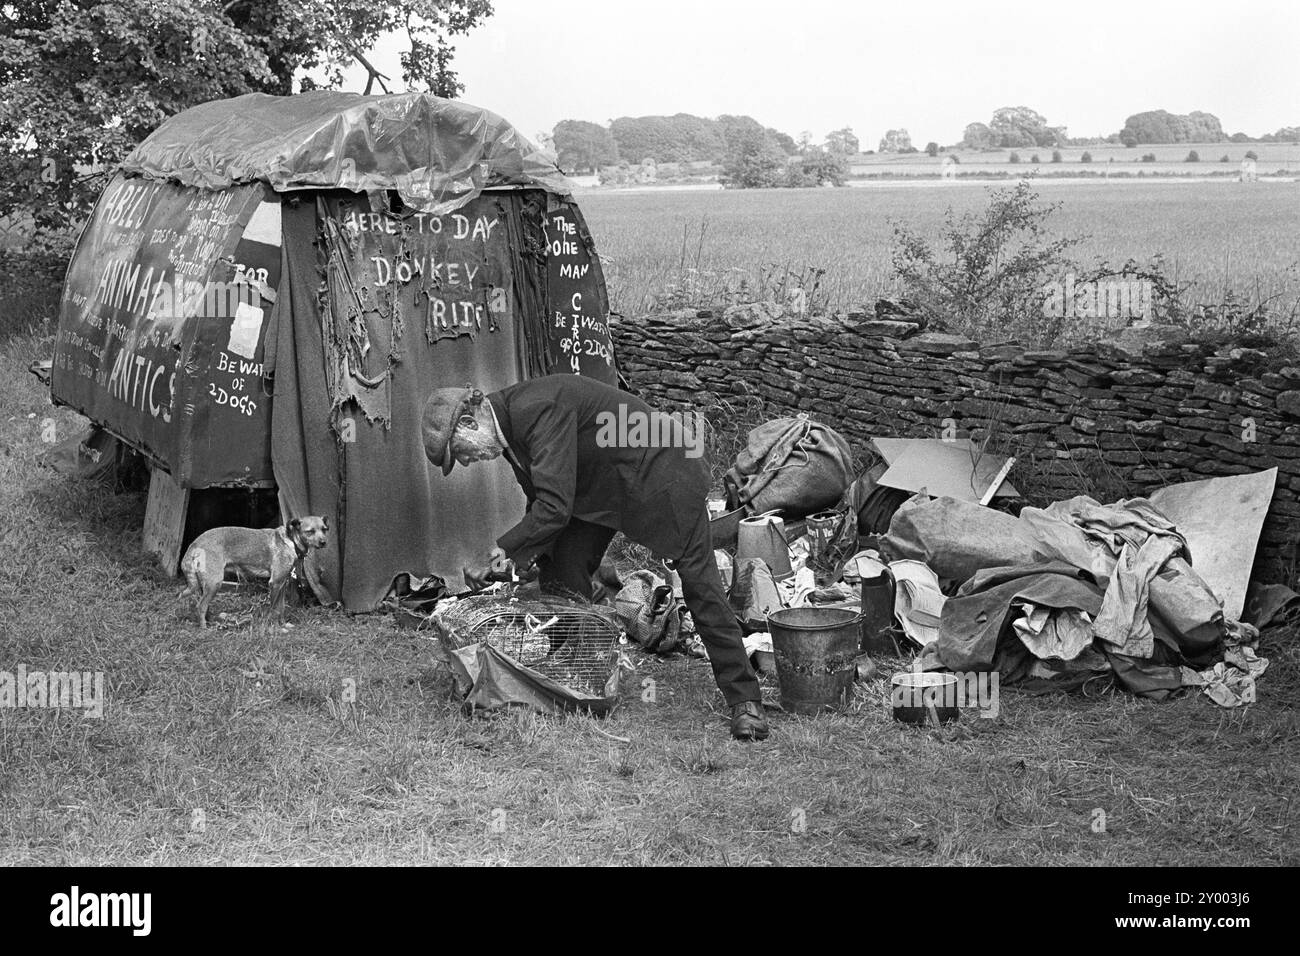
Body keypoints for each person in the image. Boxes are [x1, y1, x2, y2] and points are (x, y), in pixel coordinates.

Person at [421, 374, 769, 741]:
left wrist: (503, 549)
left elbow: (554, 507)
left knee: (701, 586)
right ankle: (567, 669)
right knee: (559, 563)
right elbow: (542, 502)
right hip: (602, 487)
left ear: (469, 422)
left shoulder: (537, 409)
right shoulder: (508, 432)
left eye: (459, 453)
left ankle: (745, 699)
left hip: (663, 471)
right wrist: (513, 560)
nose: (467, 461)